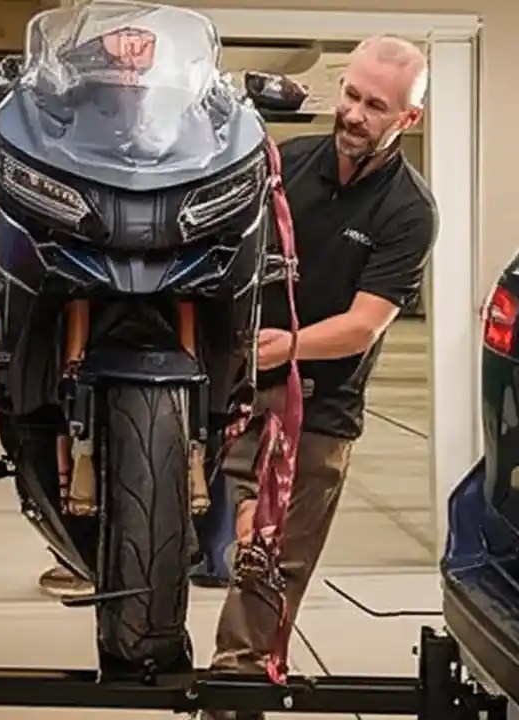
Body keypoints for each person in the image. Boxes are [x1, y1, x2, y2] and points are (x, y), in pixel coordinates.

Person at [202, 34, 437, 719]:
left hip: (318, 409)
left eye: (377, 106)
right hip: (233, 386)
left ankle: (235, 694)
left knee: (267, 565)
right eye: (352, 95)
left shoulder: (409, 211)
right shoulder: (289, 165)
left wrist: (286, 349)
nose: (356, 114)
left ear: (408, 120)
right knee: (179, 520)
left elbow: (365, 325)